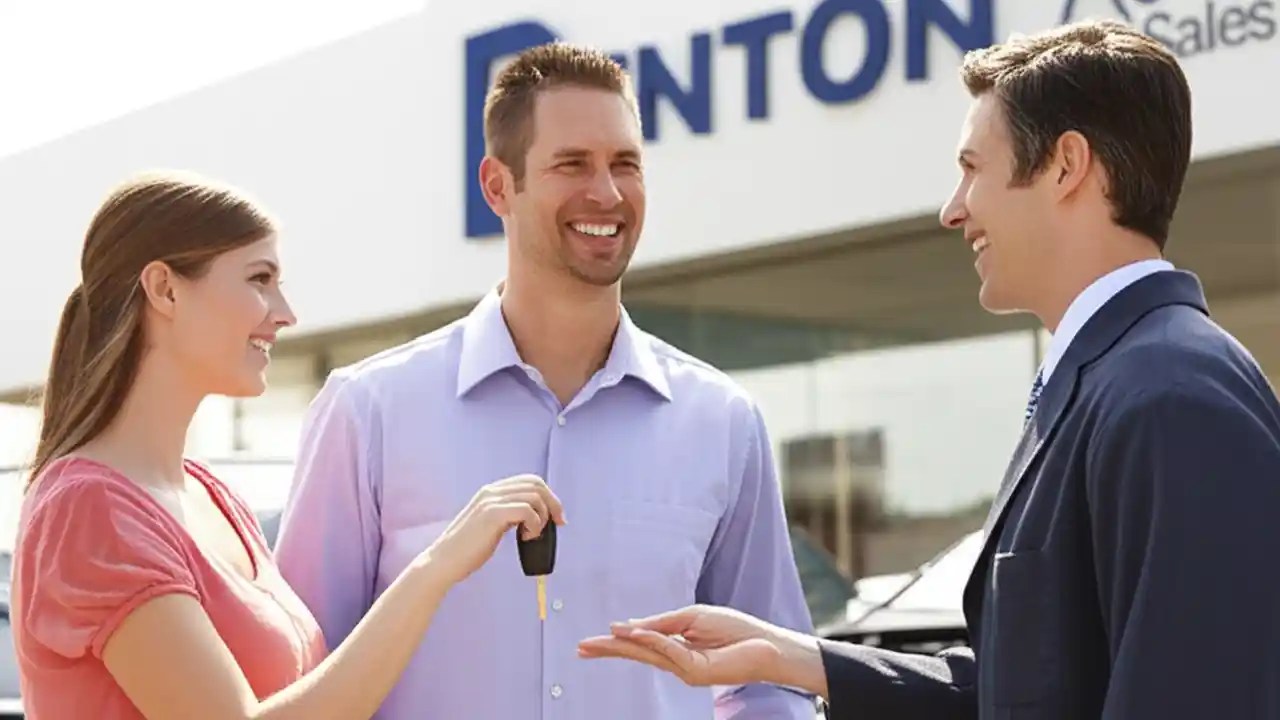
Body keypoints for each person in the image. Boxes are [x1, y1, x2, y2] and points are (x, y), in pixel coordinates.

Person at [578, 19, 1280, 720]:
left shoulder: (1172, 398)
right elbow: (1033, 690)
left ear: (1066, 166)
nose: (953, 209)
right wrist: (792, 657)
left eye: (973, 168)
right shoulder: (1120, 382)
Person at [272, 41, 816, 719]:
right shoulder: (369, 412)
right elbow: (300, 672)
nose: (608, 193)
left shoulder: (722, 422)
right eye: (573, 165)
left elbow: (771, 682)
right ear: (498, 186)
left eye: (625, 164)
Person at [9, 171, 566, 720]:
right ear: (165, 289)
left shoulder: (213, 496)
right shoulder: (89, 509)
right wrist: (435, 567)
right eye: (259, 278)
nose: (285, 313)